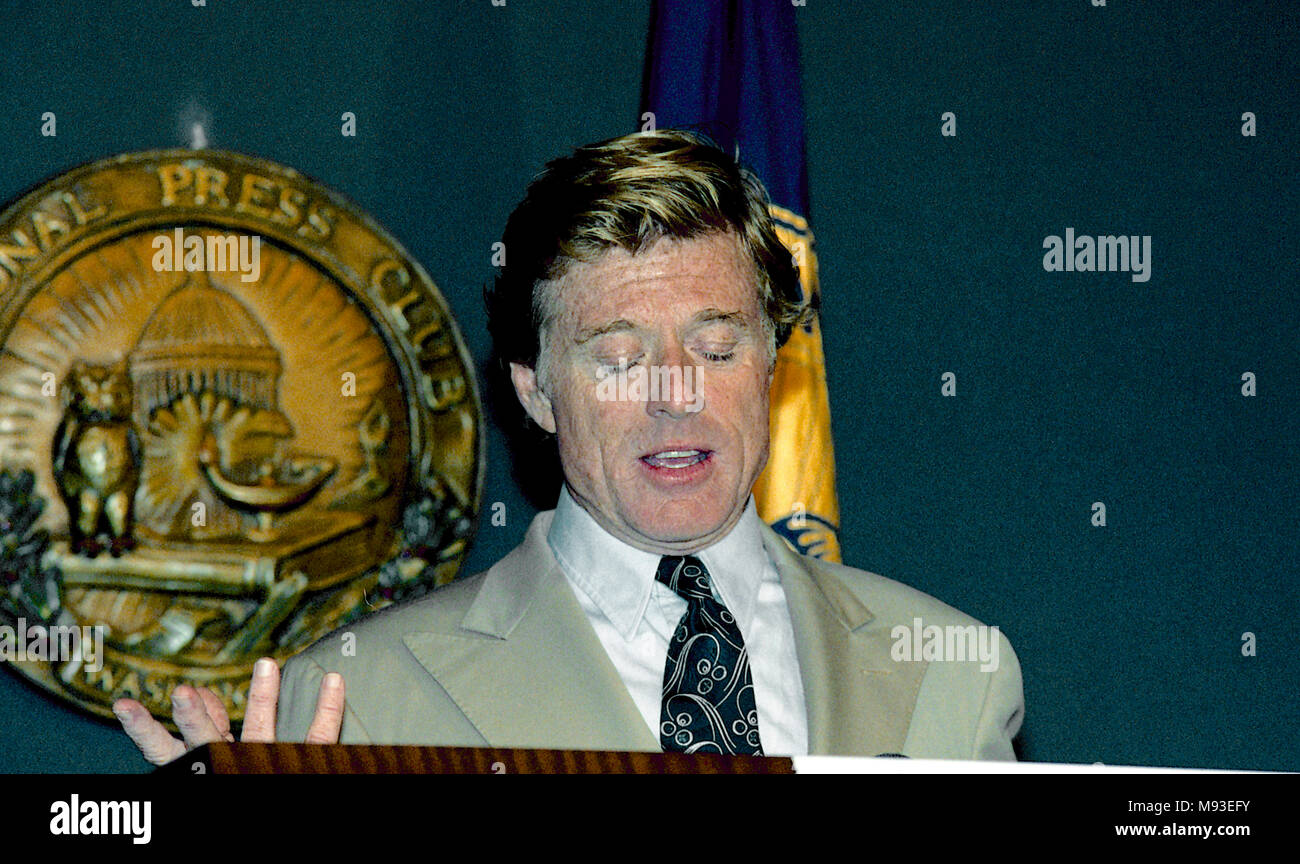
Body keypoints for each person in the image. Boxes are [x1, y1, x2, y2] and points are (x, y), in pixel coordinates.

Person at [114, 129, 1024, 764]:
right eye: (619, 358)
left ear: (771, 365)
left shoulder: (951, 669)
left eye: (715, 349)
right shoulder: (355, 700)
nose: (675, 395)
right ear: (534, 390)